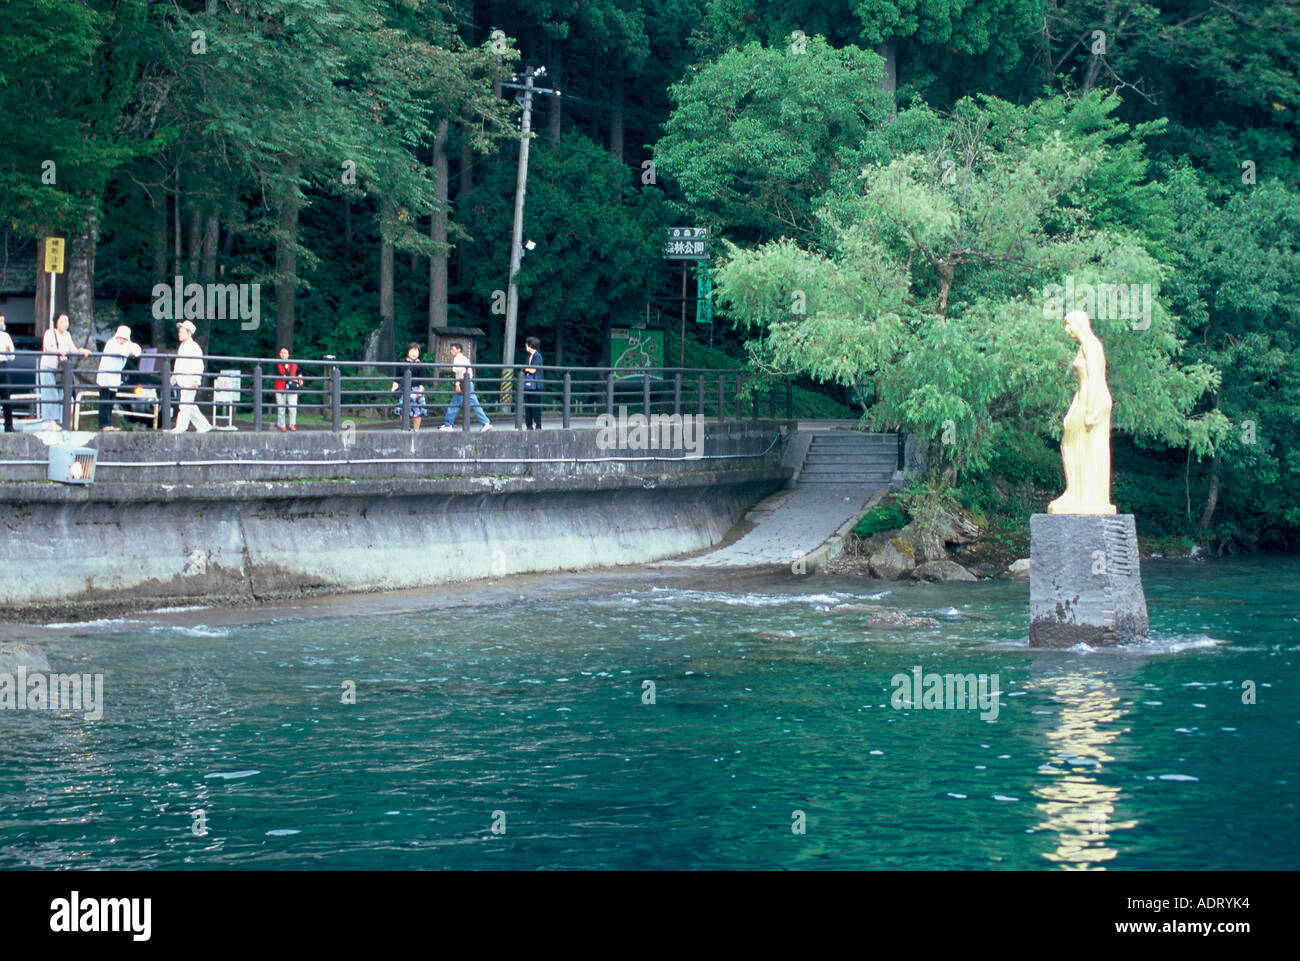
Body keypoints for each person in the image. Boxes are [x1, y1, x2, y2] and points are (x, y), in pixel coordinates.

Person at [1048, 310, 1116, 515]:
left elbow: (1095, 378)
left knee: (1078, 447)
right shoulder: (1084, 347)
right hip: (1084, 397)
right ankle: (1075, 493)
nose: (1067, 329)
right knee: (1072, 446)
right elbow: (1081, 385)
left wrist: (1091, 409)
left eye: (1069, 324)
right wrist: (1071, 411)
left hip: (1093, 399)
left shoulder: (1092, 346)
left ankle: (1082, 495)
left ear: (1079, 324)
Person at [39, 313, 91, 424]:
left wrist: (81, 351)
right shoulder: (49, 333)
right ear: (56, 322)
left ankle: (62, 422)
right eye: (62, 321)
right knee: (50, 394)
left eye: (66, 321)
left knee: (63, 394)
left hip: (61, 369)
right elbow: (46, 347)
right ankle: (52, 423)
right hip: (48, 366)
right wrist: (58, 351)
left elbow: (72, 349)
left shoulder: (67, 335)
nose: (64, 324)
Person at [95, 325, 143, 430]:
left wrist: (129, 345)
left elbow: (137, 350)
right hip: (105, 377)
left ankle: (108, 424)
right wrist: (129, 349)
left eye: (124, 339)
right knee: (104, 402)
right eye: (120, 338)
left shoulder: (125, 345)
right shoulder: (111, 344)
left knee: (111, 401)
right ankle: (103, 425)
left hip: (114, 378)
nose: (121, 340)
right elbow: (122, 352)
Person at [169, 320, 212, 433]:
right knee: (188, 404)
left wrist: (196, 379)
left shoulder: (193, 347)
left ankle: (181, 427)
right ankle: (204, 425)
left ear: (189, 333)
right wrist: (174, 375)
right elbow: (179, 363)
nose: (179, 334)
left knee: (185, 404)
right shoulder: (183, 346)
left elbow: (199, 365)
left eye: (182, 332)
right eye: (179, 332)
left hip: (189, 380)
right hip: (183, 379)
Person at [440, 342, 491, 431]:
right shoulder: (464, 358)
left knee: (455, 403)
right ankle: (485, 422)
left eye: (453, 349)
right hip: (468, 382)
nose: (451, 351)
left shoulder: (458, 358)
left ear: (458, 350)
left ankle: (448, 424)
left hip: (463, 382)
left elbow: (459, 371)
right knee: (473, 403)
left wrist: (457, 384)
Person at [390, 343, 429, 431]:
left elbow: (423, 379)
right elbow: (397, 377)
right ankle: (405, 428)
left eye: (416, 351)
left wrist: (420, 390)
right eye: (412, 351)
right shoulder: (402, 363)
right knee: (402, 411)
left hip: (416, 389)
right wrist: (394, 387)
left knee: (417, 412)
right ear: (408, 352)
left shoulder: (421, 365)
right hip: (404, 389)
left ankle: (416, 430)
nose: (414, 353)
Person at [275, 347, 303, 431]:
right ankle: (282, 425)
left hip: (292, 387)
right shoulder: (276, 364)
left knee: (292, 406)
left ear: (288, 355)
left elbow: (299, 371)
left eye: (285, 353)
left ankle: (292, 424)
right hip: (280, 387)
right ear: (279, 354)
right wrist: (293, 379)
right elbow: (280, 375)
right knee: (281, 408)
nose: (283, 354)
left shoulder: (294, 364)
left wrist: (300, 377)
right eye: (281, 353)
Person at [522, 335, 544, 430]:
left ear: (530, 345)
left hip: (536, 385)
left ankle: (538, 424)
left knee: (535, 405)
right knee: (528, 406)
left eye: (527, 345)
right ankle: (529, 425)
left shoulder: (538, 356)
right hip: (528, 384)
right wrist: (527, 369)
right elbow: (527, 369)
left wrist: (526, 369)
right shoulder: (529, 357)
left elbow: (533, 370)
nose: (526, 346)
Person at [0, 316, 14, 432]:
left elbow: (12, 356)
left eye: (3, 321)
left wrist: (9, 351)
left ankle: (8, 425)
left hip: (3, 365)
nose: (2, 324)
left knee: (6, 396)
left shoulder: (6, 336)